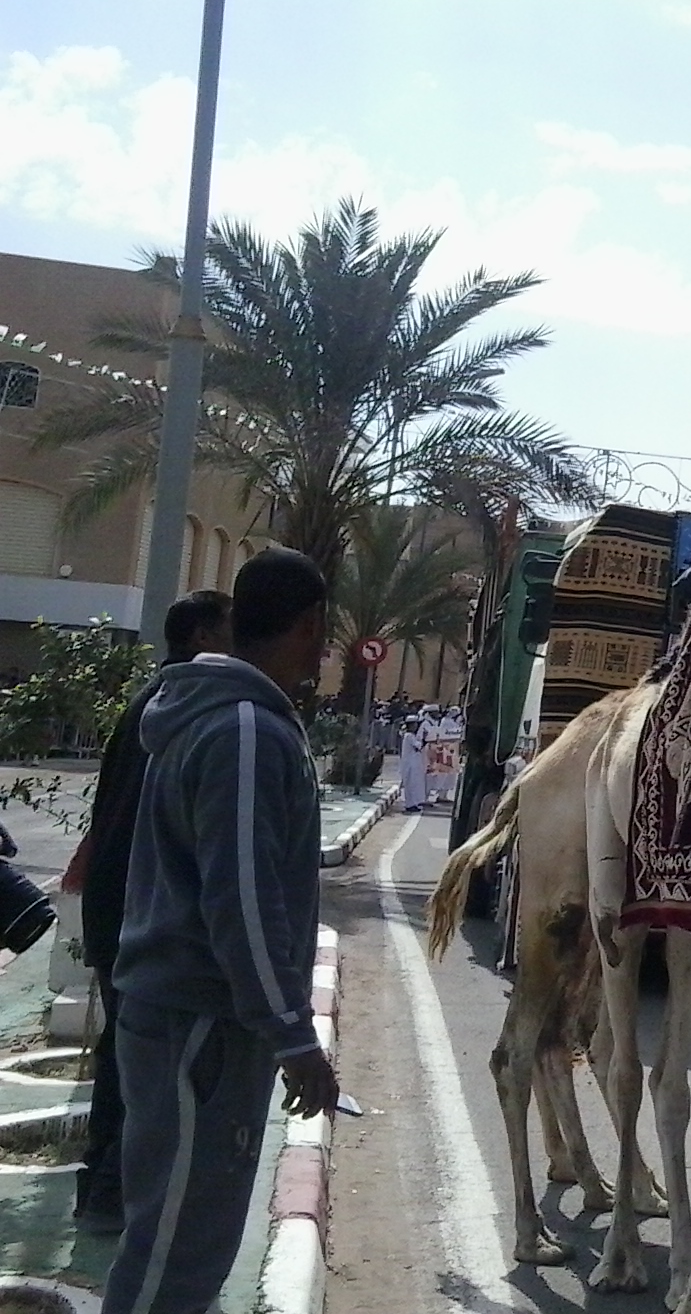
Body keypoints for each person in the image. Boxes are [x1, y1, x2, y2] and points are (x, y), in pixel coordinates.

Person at [102, 547, 340, 1314]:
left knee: (186, 1245)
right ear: (310, 625)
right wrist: (293, 1035)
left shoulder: (238, 721)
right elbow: (241, 895)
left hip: (190, 1019)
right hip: (198, 1024)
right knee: (175, 1254)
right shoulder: (245, 731)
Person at [69, 589, 233, 1234]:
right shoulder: (179, 709)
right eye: (228, 629)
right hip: (132, 902)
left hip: (117, 899)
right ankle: (111, 1189)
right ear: (197, 635)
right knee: (136, 1053)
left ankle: (105, 1186)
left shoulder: (158, 703)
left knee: (124, 1044)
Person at [399, 715, 427, 814]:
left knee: (414, 784)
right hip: (409, 765)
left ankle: (413, 803)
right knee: (410, 785)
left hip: (412, 764)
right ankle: (409, 805)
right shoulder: (409, 736)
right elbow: (418, 746)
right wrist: (425, 739)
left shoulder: (411, 735)